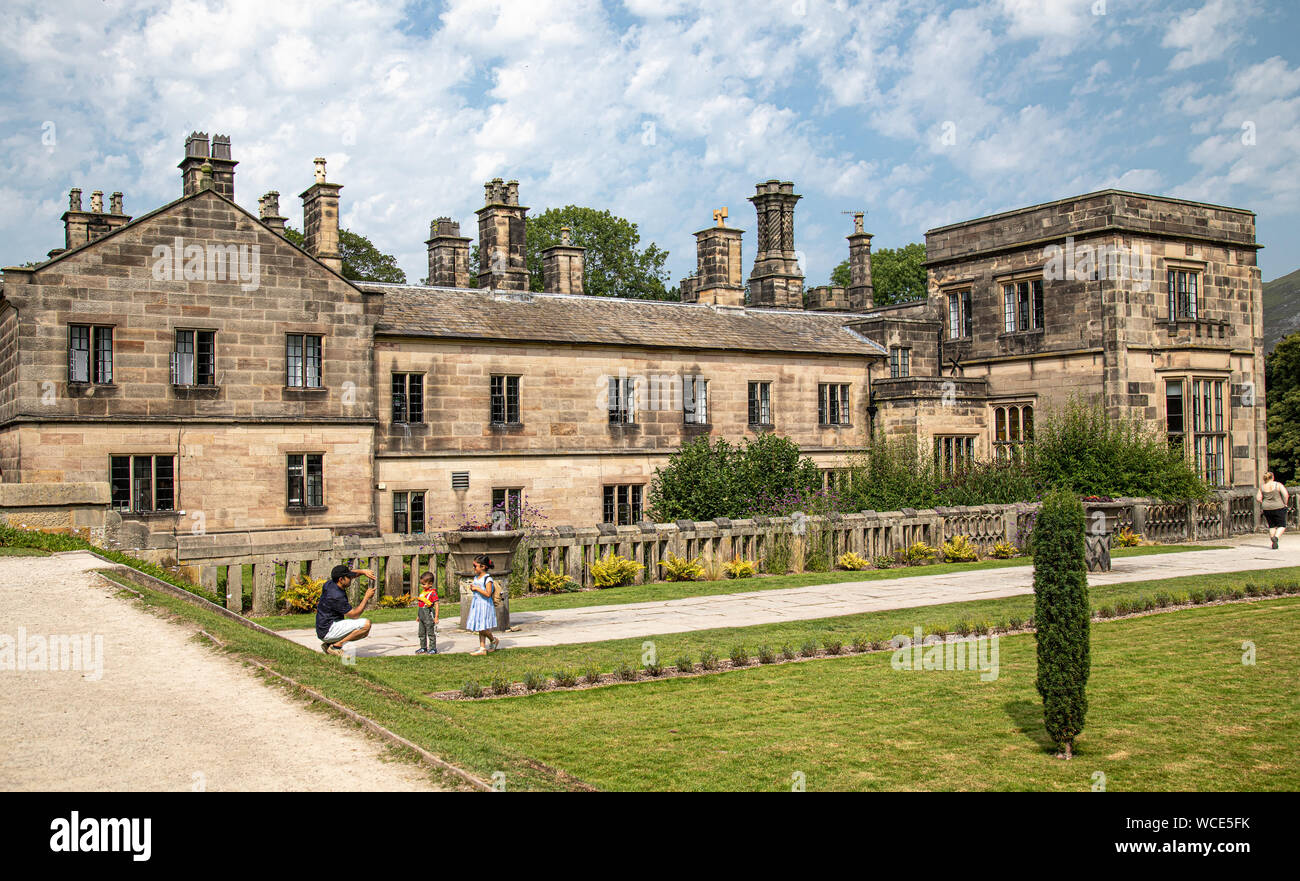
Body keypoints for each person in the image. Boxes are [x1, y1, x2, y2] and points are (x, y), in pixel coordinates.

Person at [316, 564, 377, 655]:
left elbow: (353, 574)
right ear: (341, 579)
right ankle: (336, 646)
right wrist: (366, 597)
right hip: (329, 630)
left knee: (364, 632)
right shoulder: (336, 596)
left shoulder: (329, 583)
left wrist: (363, 572)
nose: (351, 579)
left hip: (323, 628)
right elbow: (354, 615)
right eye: (348, 577)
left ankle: (329, 644)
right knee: (365, 625)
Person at [464, 554, 500, 656]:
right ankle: (482, 648)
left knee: (482, 627)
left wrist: (477, 589)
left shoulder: (488, 579)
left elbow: (488, 594)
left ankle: (493, 640)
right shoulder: (476, 577)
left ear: (483, 567)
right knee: (480, 626)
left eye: (475, 566)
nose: (474, 568)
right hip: (477, 604)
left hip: (484, 605)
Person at [1258, 472, 1290, 550]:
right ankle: (1276, 538)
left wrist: (1264, 503)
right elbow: (1286, 495)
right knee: (1282, 525)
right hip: (1278, 506)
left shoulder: (1262, 487)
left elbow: (1258, 498)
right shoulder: (1278, 485)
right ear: (1273, 477)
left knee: (1272, 525)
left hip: (1266, 508)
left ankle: (1273, 542)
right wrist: (1285, 503)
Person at [415, 571, 439, 655]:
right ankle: (423, 647)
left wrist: (436, 617)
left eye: (424, 584)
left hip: (428, 614)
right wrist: (418, 616)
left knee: (430, 632)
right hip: (421, 615)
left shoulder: (432, 593)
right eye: (421, 584)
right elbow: (420, 605)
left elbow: (436, 605)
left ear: (430, 584)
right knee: (421, 632)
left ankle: (433, 648)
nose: (422, 586)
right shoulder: (423, 593)